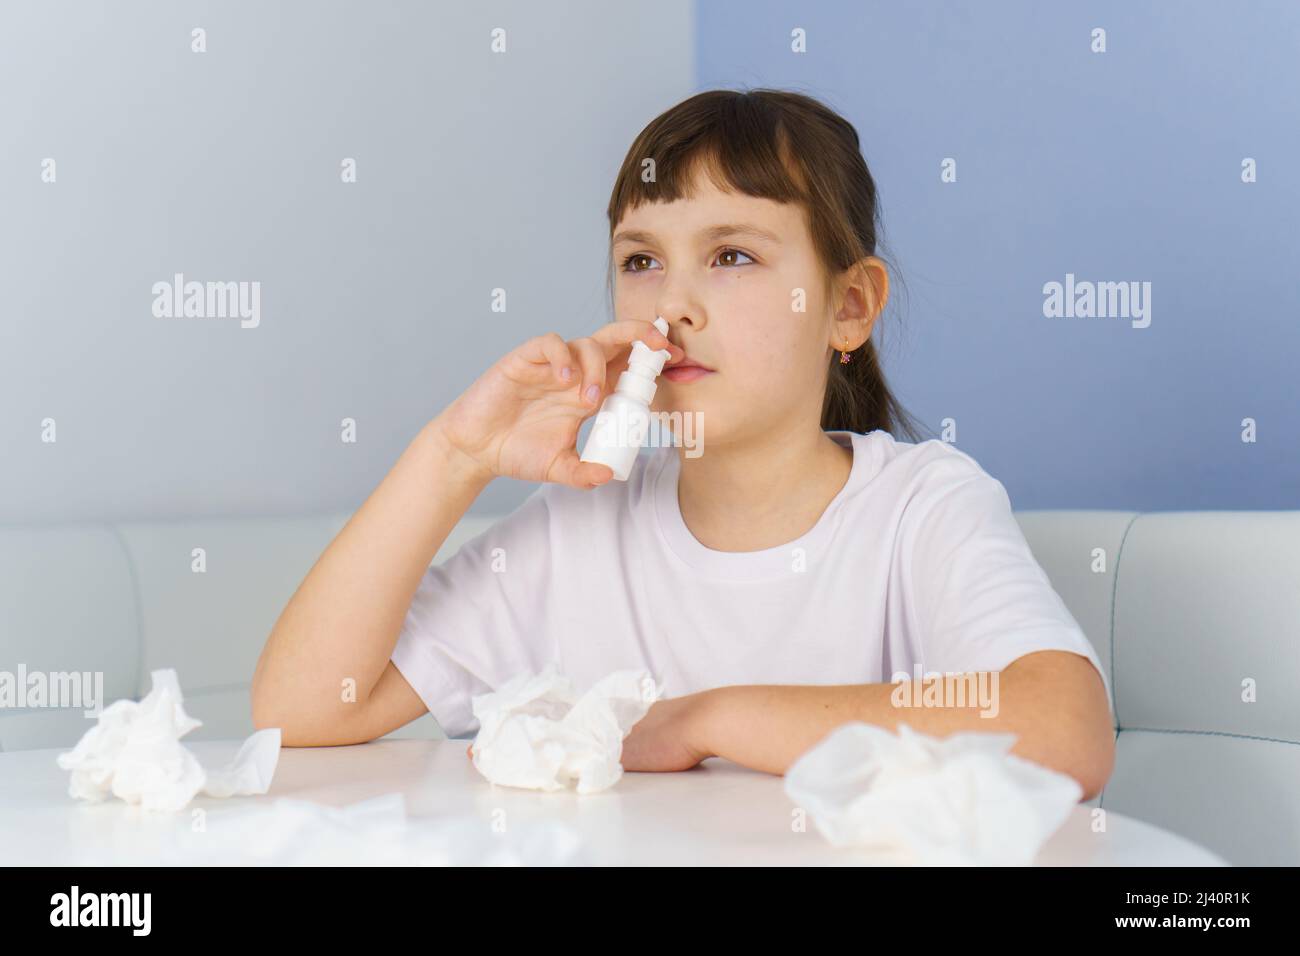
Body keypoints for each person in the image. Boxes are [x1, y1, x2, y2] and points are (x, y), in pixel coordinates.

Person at [253, 89, 1114, 800]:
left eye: (732, 256)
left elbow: (1063, 732)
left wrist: (708, 719)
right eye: (640, 261)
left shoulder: (920, 509)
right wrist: (455, 455)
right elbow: (302, 711)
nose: (672, 308)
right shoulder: (576, 531)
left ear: (847, 307)